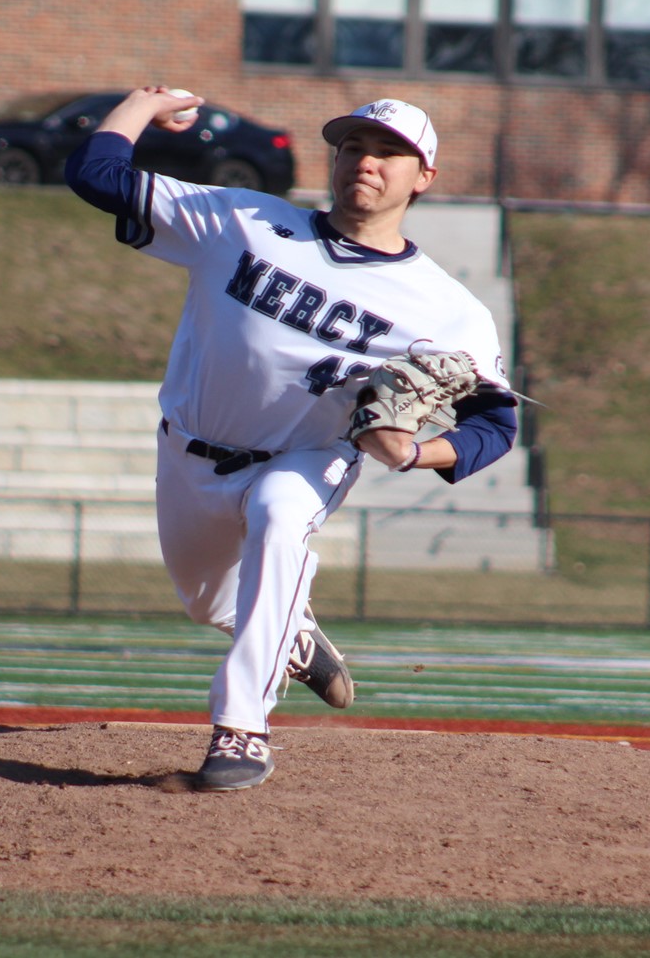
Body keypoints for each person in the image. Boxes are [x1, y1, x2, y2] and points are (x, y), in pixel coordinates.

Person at [67, 90, 519, 791]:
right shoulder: (242, 220)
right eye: (353, 148)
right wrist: (140, 106)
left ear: (423, 176)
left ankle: (242, 730)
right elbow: (97, 178)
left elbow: (496, 425)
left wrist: (415, 451)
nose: (366, 163)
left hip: (310, 457)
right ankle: (297, 640)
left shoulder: (450, 311)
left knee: (280, 515)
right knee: (208, 603)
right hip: (190, 448)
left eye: (389, 153)